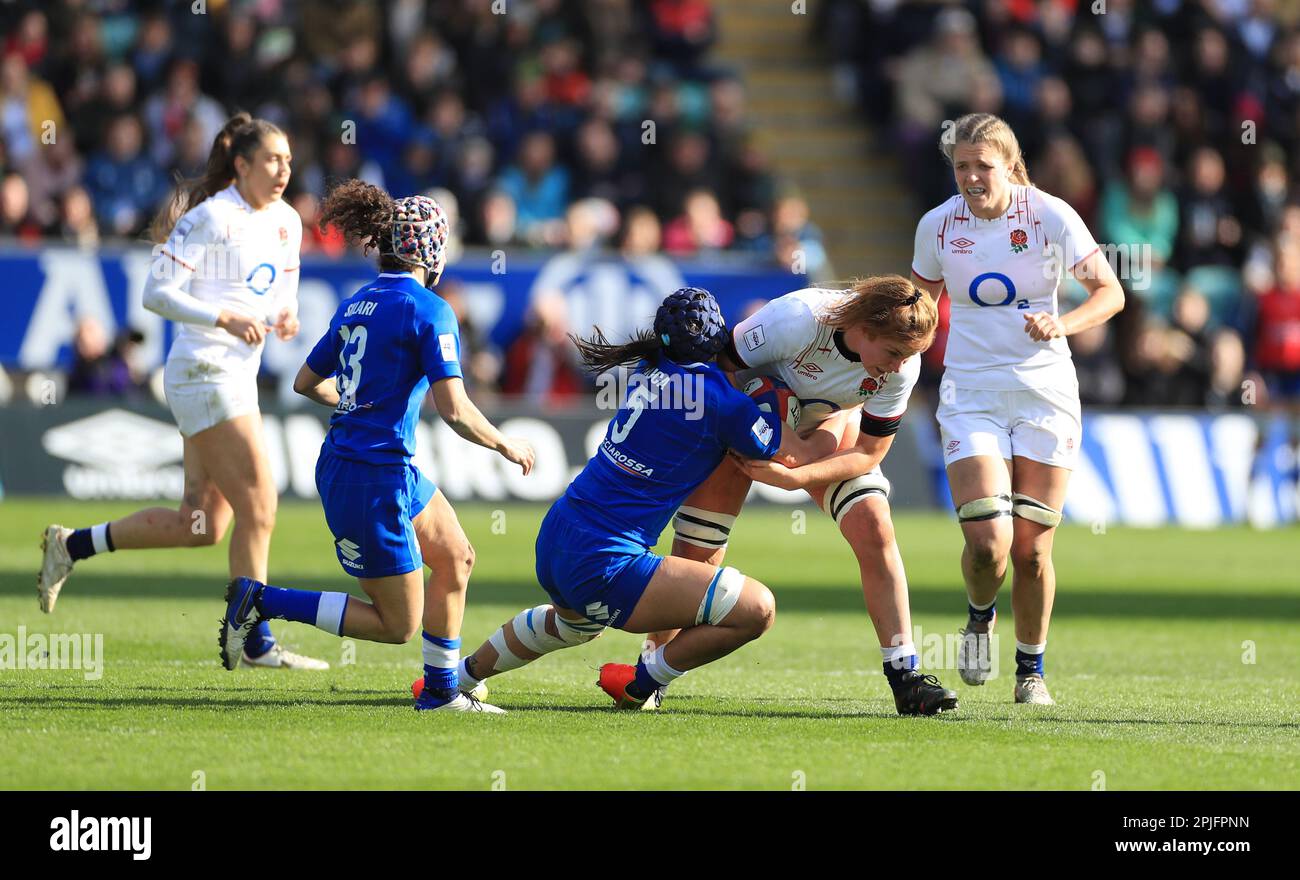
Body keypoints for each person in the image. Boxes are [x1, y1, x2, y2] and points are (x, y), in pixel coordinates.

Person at [219, 182, 535, 713]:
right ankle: (260, 601)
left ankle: (440, 694)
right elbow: (454, 410)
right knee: (397, 625)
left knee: (456, 557)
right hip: (372, 476)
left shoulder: (356, 303)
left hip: (376, 466)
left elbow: (305, 381)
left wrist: (356, 404)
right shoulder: (430, 309)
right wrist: (505, 444)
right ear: (433, 251)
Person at [37, 113, 328, 671]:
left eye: (289, 159)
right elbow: (157, 293)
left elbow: (277, 296)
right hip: (203, 370)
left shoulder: (289, 221)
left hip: (234, 374)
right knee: (260, 506)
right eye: (272, 159)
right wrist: (222, 317)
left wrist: (284, 317)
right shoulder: (212, 217)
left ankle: (70, 546)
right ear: (241, 164)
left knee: (202, 523)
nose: (284, 168)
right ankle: (253, 640)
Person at [423, 288, 804, 710]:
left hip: (559, 532)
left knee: (572, 625)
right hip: (605, 558)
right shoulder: (722, 402)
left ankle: (456, 678)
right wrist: (782, 401)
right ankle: (641, 683)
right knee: (756, 610)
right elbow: (790, 452)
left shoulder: (648, 366)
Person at [618, 276, 961, 716]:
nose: (899, 368)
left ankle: (905, 677)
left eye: (907, 356)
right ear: (863, 328)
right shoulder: (797, 319)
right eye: (894, 354)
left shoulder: (901, 364)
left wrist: (802, 470)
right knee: (695, 561)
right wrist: (764, 433)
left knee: (876, 529)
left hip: (827, 431)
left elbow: (871, 450)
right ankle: (649, 671)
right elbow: (719, 367)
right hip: (740, 428)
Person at [910, 112, 1124, 704]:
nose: (972, 177)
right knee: (988, 543)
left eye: (983, 166)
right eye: (961, 167)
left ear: (1009, 164)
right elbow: (920, 312)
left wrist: (1062, 323)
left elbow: (1111, 292)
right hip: (970, 392)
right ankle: (980, 618)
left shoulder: (1050, 215)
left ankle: (1031, 671)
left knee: (1031, 551)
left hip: (1045, 393)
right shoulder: (936, 225)